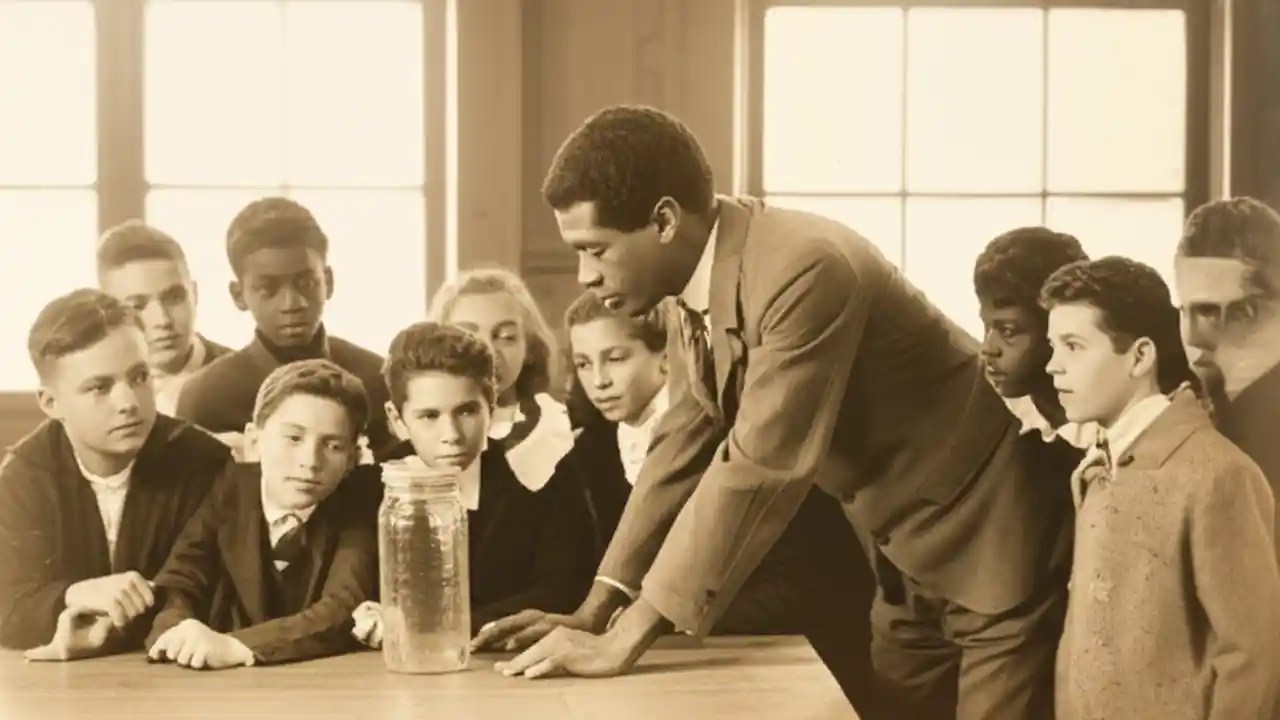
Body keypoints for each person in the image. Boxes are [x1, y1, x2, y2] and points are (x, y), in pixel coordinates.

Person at [489, 105, 1073, 720]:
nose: (583, 275)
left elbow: (759, 464)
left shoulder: (805, 266)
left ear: (663, 220)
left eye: (596, 250)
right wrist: (599, 604)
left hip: (993, 538)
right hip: (903, 556)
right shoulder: (694, 279)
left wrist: (626, 638)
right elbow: (683, 440)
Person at [1042, 257, 1280, 719]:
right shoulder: (1097, 468)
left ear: (1139, 356)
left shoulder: (1218, 474)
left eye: (1073, 346)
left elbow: (1254, 653)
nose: (1053, 366)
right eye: (1053, 346)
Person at [0, 289, 231, 656]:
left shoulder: (205, 463)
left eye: (139, 377)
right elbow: (7, 607)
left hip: (178, 679)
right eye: (99, 387)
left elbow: (216, 595)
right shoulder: (20, 479)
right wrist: (76, 593)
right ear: (50, 402)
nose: (128, 403)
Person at [349, 322, 594, 649]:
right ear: (397, 419)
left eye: (466, 411)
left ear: (490, 407)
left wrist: (446, 630)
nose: (451, 433)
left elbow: (565, 588)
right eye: (429, 416)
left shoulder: (544, 479)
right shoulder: (368, 490)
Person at [146, 359, 378, 669]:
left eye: (333, 446)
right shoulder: (228, 490)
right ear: (255, 441)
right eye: (293, 438)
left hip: (322, 684)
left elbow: (342, 608)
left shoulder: (359, 503)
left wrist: (236, 646)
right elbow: (181, 580)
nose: (310, 461)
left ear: (353, 458)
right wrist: (177, 631)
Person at [174, 197, 394, 461]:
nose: (292, 304)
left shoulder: (377, 380)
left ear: (328, 281)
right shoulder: (208, 398)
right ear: (238, 295)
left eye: (306, 283)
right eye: (268, 289)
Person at [1175, 196, 1280, 557]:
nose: (1190, 337)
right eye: (1183, 312)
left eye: (1207, 312)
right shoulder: (1216, 413)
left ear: (1256, 311)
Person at [428, 268, 574, 492]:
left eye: (506, 337)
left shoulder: (558, 430)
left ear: (530, 348)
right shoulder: (419, 433)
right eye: (467, 336)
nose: (487, 350)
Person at [96, 220, 230, 415]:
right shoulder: (94, 391)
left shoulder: (246, 380)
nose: (162, 320)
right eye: (137, 306)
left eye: (174, 298)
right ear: (109, 313)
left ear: (194, 294)